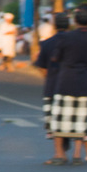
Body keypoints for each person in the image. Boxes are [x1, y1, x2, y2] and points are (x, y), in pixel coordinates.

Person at [45, 7, 87, 165]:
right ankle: (77, 155)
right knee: (80, 121)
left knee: (58, 119)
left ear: (75, 21)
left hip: (65, 81)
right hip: (84, 82)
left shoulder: (67, 37)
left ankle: (60, 154)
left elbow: (56, 57)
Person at [33, 12, 69, 140]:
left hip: (52, 85)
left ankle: (59, 154)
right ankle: (78, 155)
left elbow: (41, 66)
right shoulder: (74, 41)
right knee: (74, 126)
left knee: (54, 124)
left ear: (54, 25)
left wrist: (48, 76)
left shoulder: (47, 43)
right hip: (71, 87)